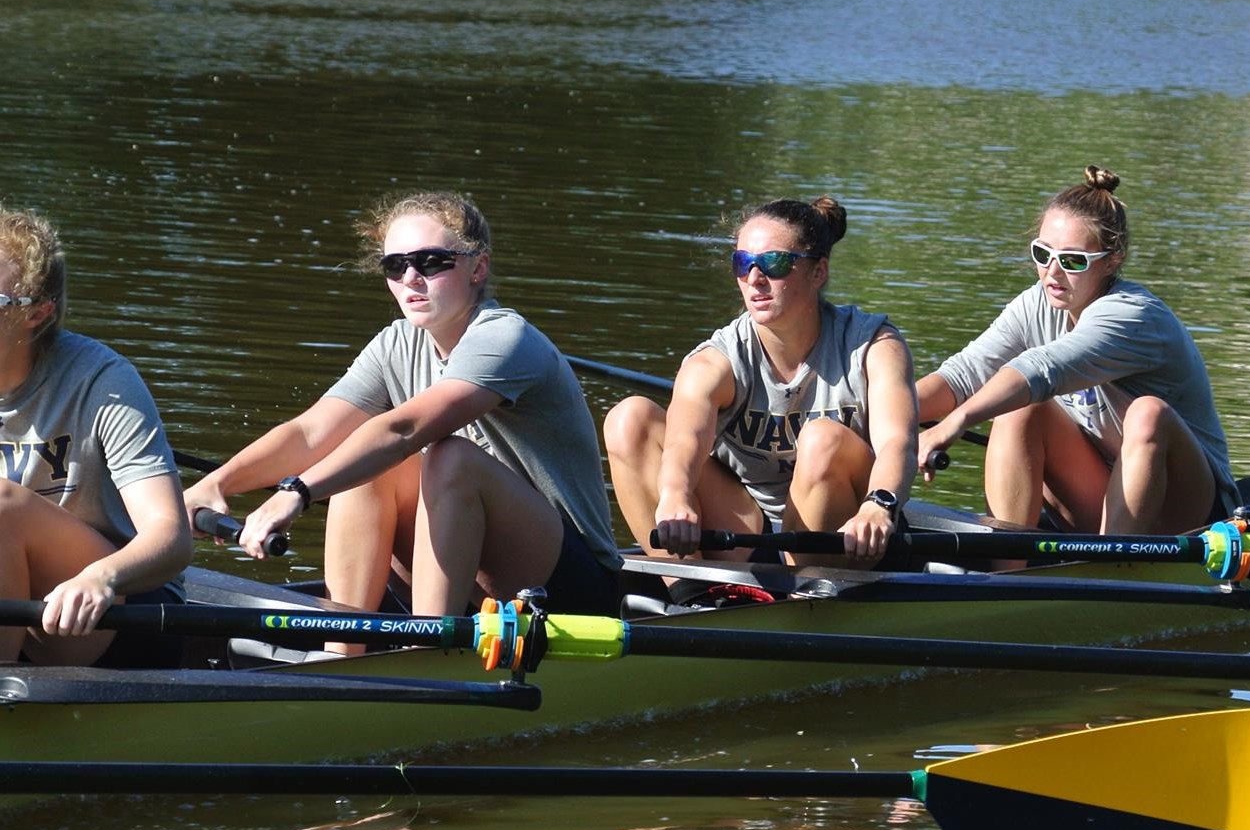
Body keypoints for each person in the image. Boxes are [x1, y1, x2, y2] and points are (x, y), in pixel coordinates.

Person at [184, 192, 621, 635]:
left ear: (478, 267)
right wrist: (215, 485)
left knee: (446, 457)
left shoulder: (506, 338)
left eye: (430, 262)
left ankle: (426, 649)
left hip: (573, 588)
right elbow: (310, 433)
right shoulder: (394, 344)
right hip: (473, 572)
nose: (411, 278)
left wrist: (296, 492)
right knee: (366, 464)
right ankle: (343, 650)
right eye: (395, 266)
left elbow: (404, 429)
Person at [604, 196, 917, 577]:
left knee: (822, 439)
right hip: (750, 532)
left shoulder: (875, 346)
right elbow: (683, 443)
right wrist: (675, 496)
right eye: (743, 263)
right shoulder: (714, 362)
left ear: (818, 272)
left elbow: (897, 443)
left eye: (775, 263)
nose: (754, 279)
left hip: (851, 533)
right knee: (629, 419)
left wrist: (879, 504)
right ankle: (689, 591)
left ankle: (809, 593)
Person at [915, 166, 1238, 536]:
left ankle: (1113, 565)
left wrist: (954, 424)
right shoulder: (1035, 305)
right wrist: (879, 417)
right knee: (1018, 409)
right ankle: (1006, 565)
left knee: (1148, 412)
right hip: (1101, 497)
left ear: (1112, 260)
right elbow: (961, 377)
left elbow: (1041, 369)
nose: (1052, 272)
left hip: (1192, 513)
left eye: (1072, 261)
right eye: (1043, 254)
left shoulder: (1134, 316)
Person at [0, 204, 192, 664]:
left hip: (117, 612)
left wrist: (100, 577)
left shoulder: (103, 381)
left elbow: (171, 536)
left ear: (37, 313)